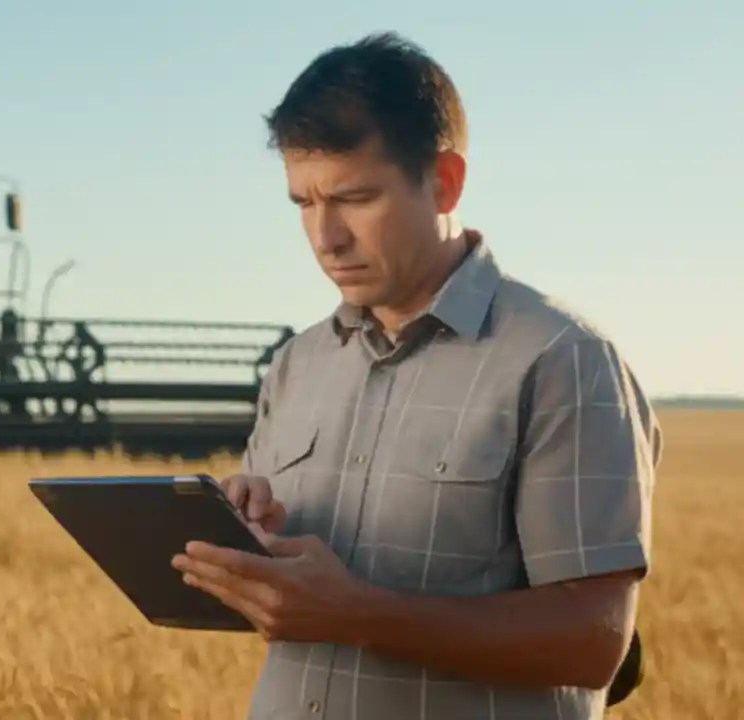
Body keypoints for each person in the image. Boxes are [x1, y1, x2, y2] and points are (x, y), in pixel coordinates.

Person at [170, 32, 661, 719]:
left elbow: (594, 642)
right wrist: (248, 533)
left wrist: (361, 614)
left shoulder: (560, 359)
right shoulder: (297, 364)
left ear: (445, 181)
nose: (325, 236)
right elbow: (289, 601)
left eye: (355, 197)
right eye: (303, 204)